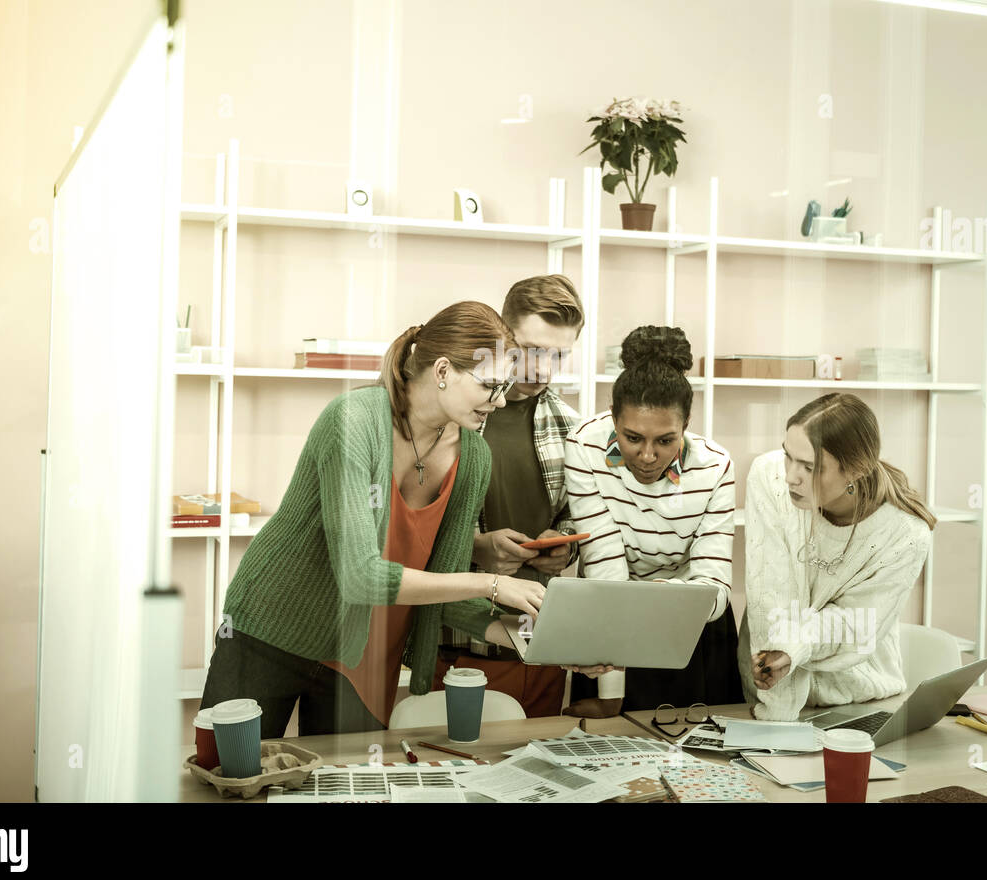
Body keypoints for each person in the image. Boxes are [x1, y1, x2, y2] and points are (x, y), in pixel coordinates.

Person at [199, 301, 544, 737]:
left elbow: (448, 589)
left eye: (505, 387)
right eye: (489, 386)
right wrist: (492, 583)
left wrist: (534, 638)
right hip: (273, 632)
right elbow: (360, 576)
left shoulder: (473, 457)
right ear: (442, 371)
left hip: (364, 654)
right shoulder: (353, 422)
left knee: (347, 788)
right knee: (229, 778)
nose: (498, 402)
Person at [564, 325, 742, 714]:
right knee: (606, 750)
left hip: (692, 621)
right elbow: (604, 561)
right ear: (612, 418)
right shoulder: (584, 447)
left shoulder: (715, 466)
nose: (647, 455)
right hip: (611, 610)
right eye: (632, 438)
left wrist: (666, 602)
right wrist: (612, 692)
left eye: (665, 440)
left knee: (699, 749)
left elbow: (713, 581)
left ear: (687, 424)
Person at [434, 275, 585, 716]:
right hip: (458, 641)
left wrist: (562, 546)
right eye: (531, 350)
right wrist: (479, 548)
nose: (542, 369)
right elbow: (412, 530)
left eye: (558, 355)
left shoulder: (571, 426)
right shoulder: (453, 416)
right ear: (501, 333)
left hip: (542, 641)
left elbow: (578, 516)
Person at [740, 392, 936, 721]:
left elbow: (855, 625)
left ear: (855, 472)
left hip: (858, 702)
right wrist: (776, 714)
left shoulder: (906, 534)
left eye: (810, 467)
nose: (790, 475)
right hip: (769, 697)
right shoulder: (769, 477)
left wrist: (792, 648)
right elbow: (770, 597)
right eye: (789, 456)